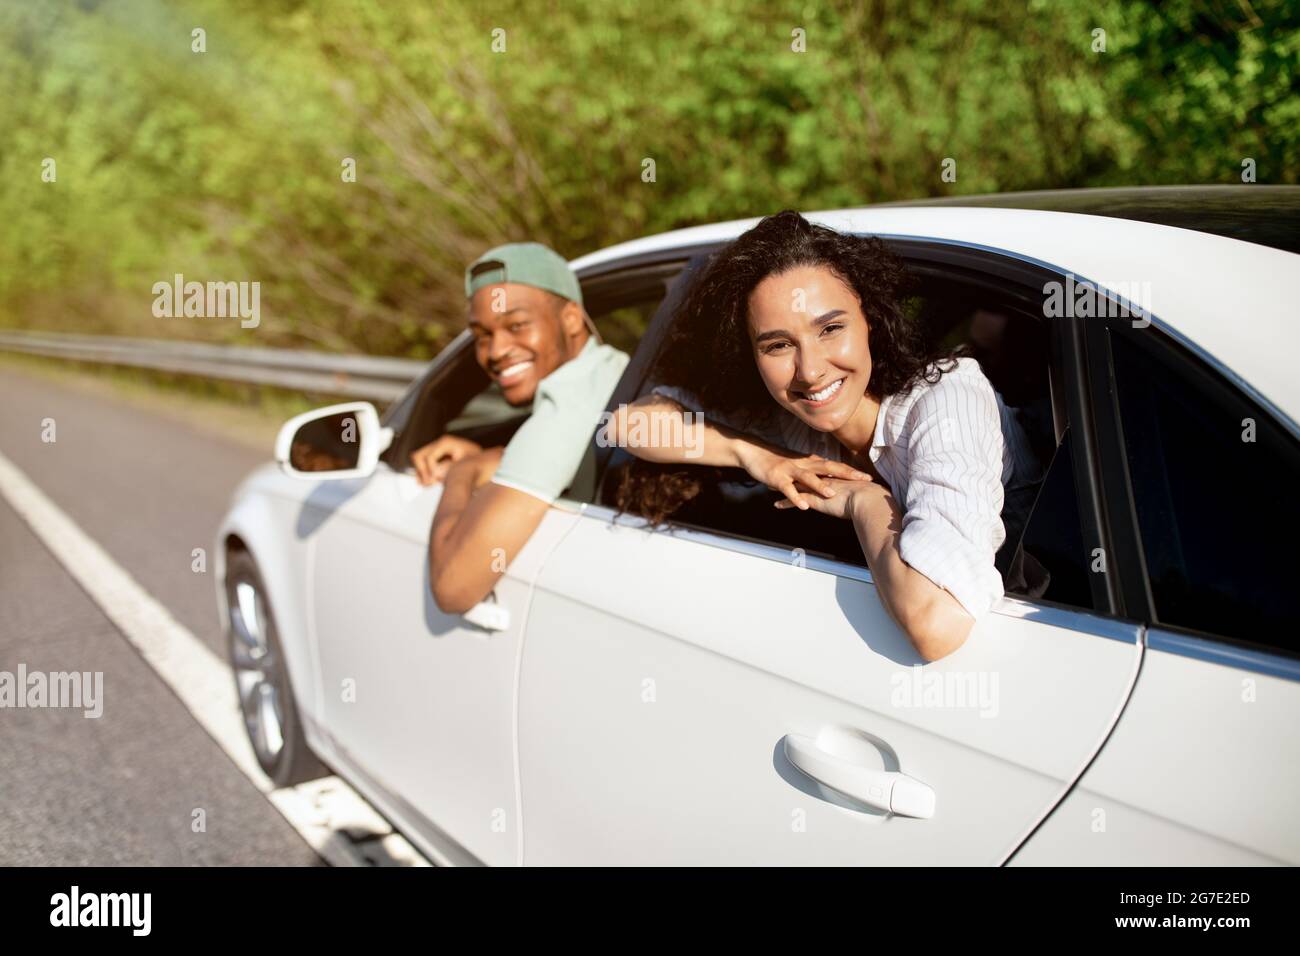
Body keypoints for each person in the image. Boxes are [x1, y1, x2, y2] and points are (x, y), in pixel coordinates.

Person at [606, 211, 1043, 661]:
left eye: (830, 329)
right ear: (751, 356)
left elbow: (935, 624)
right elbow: (625, 424)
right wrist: (752, 454)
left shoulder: (946, 401)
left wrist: (864, 501)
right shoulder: (787, 417)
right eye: (777, 345)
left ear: (869, 319)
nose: (810, 371)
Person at [419, 242, 628, 614]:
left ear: (571, 319)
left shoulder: (565, 406)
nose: (496, 350)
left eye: (517, 325)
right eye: (482, 335)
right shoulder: (613, 370)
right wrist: (497, 456)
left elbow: (452, 587)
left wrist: (463, 473)